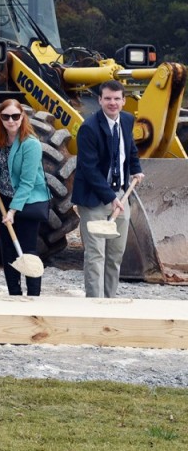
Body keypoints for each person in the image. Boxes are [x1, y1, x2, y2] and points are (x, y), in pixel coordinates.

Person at [74, 80, 144, 298]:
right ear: (100, 100)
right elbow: (89, 169)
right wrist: (109, 198)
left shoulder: (127, 120)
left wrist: (136, 169)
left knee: (115, 255)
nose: (112, 103)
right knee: (96, 256)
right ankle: (94, 304)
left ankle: (110, 301)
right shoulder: (88, 128)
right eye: (107, 99)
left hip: (121, 195)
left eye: (116, 98)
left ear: (124, 100)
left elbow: (129, 149)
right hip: (94, 199)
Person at [0, 99, 51, 296]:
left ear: (22, 117)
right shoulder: (0, 140)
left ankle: (33, 297)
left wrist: (13, 211)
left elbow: (27, 183)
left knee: (27, 251)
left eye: (15, 116)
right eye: (6, 117)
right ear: (0, 119)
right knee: (8, 250)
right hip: (4, 199)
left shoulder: (31, 144)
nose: (11, 121)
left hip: (26, 203)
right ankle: (14, 295)